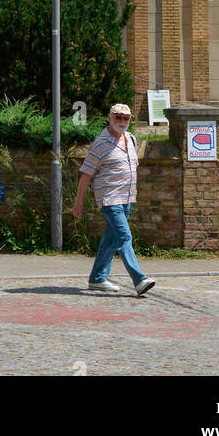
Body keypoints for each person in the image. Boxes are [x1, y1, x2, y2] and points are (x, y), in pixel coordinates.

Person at [70, 102, 156, 296]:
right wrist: (79, 202)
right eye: (118, 117)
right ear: (109, 118)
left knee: (111, 239)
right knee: (124, 237)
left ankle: (97, 278)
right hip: (109, 199)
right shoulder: (101, 143)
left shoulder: (131, 139)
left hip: (127, 199)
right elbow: (86, 175)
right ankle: (139, 280)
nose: (122, 121)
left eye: (126, 118)